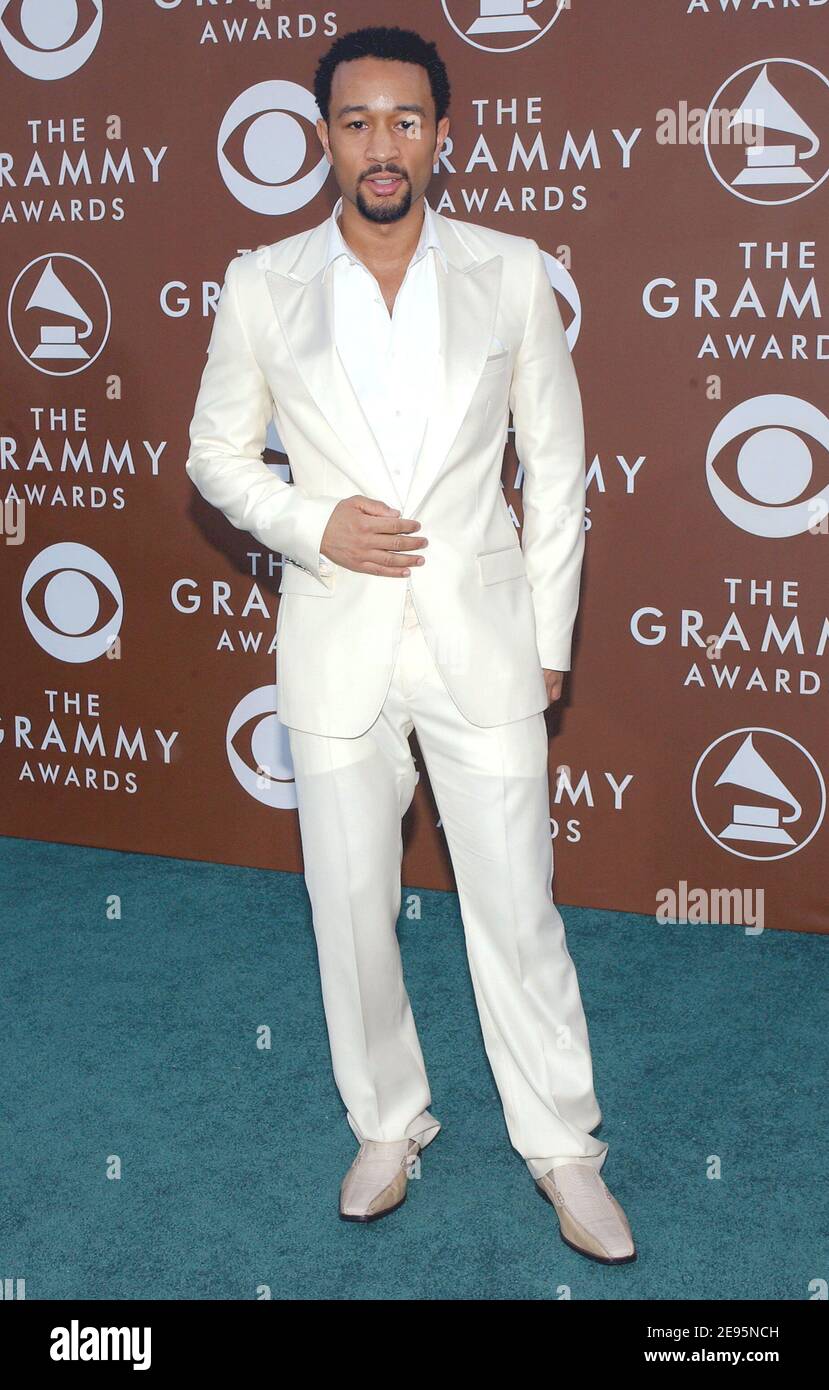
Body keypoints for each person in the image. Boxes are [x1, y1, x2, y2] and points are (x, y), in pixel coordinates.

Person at [185, 24, 635, 1265]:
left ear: (442, 133)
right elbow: (214, 457)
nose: (380, 146)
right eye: (355, 122)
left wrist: (546, 635)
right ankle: (387, 1123)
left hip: (480, 639)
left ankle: (563, 1148)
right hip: (336, 642)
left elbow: (557, 463)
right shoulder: (263, 282)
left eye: (403, 121)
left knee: (516, 906)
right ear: (321, 136)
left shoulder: (509, 272)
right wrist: (309, 519)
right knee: (349, 908)